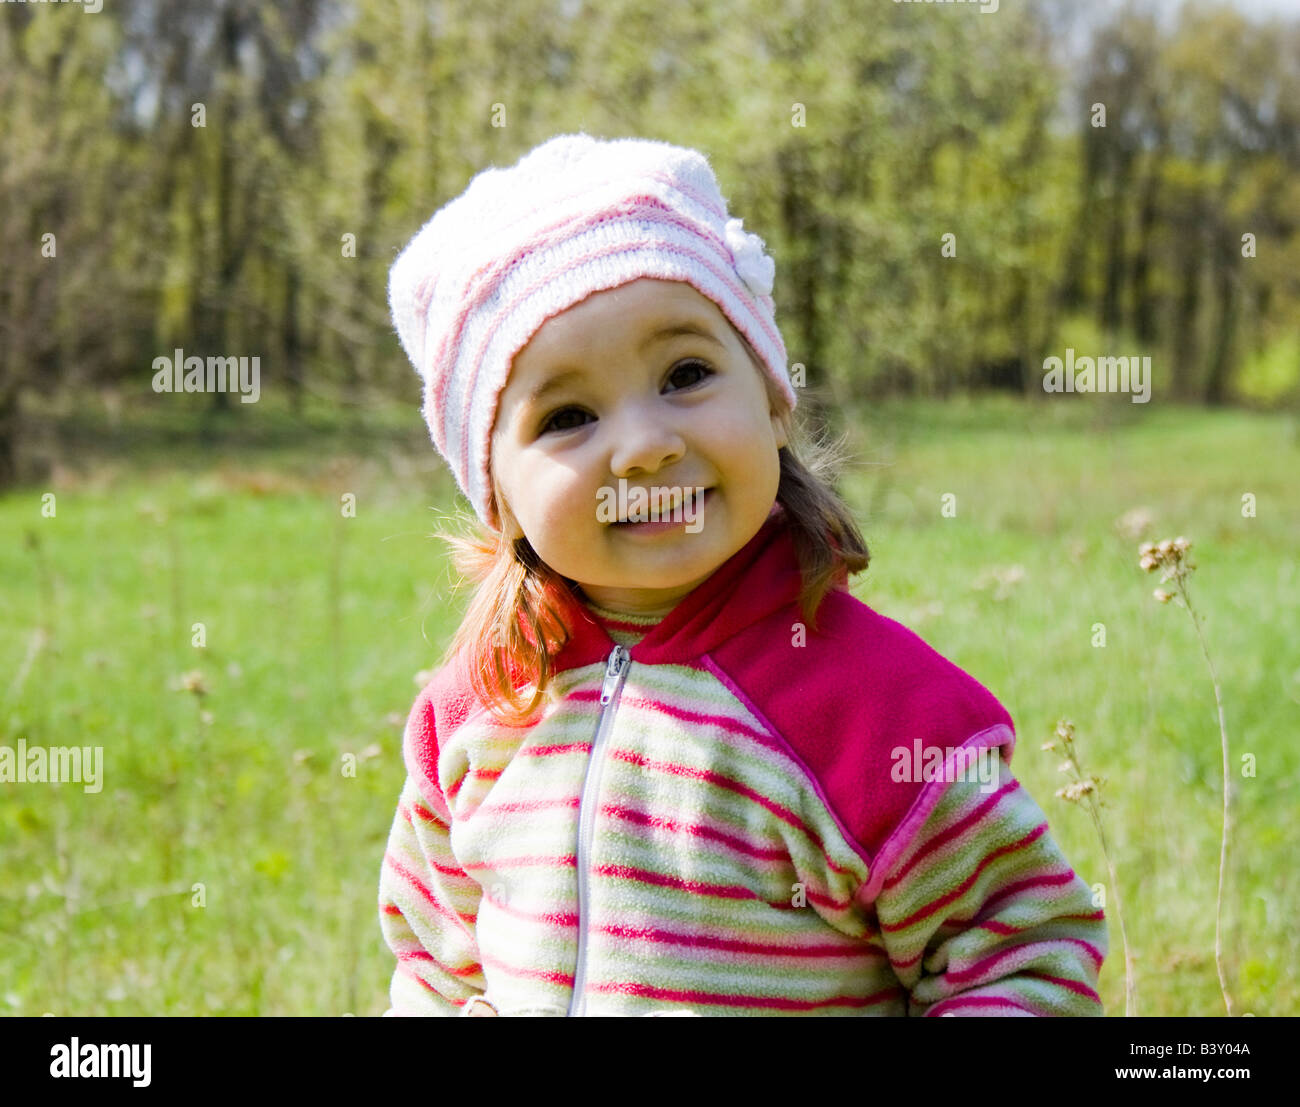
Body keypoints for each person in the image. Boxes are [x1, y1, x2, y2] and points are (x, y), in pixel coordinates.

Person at [378, 132, 1108, 1016]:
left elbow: (1022, 946)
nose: (646, 445)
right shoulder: (479, 711)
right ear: (494, 486)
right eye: (568, 415)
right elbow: (437, 965)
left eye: (685, 373)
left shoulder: (871, 709)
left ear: (768, 396)